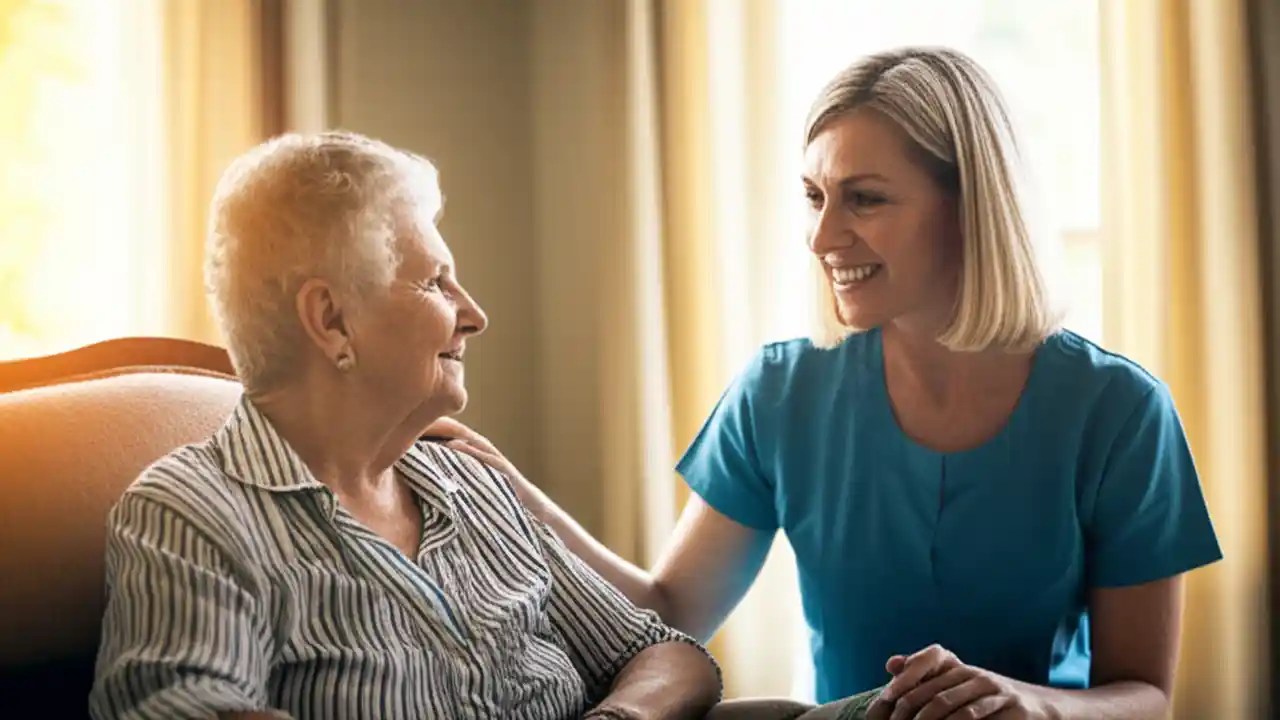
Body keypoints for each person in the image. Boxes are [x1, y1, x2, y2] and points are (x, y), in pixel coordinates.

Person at [439, 47, 1222, 720]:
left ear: (970, 209)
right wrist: (508, 488)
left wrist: (1031, 703)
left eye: (865, 199)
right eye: (814, 198)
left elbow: (1145, 693)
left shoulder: (1119, 410)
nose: (821, 237)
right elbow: (669, 613)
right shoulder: (781, 392)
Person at [89, 132, 721, 720]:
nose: (474, 315)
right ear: (332, 320)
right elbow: (185, 706)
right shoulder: (190, 514)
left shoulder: (472, 486)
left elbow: (667, 653)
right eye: (435, 283)